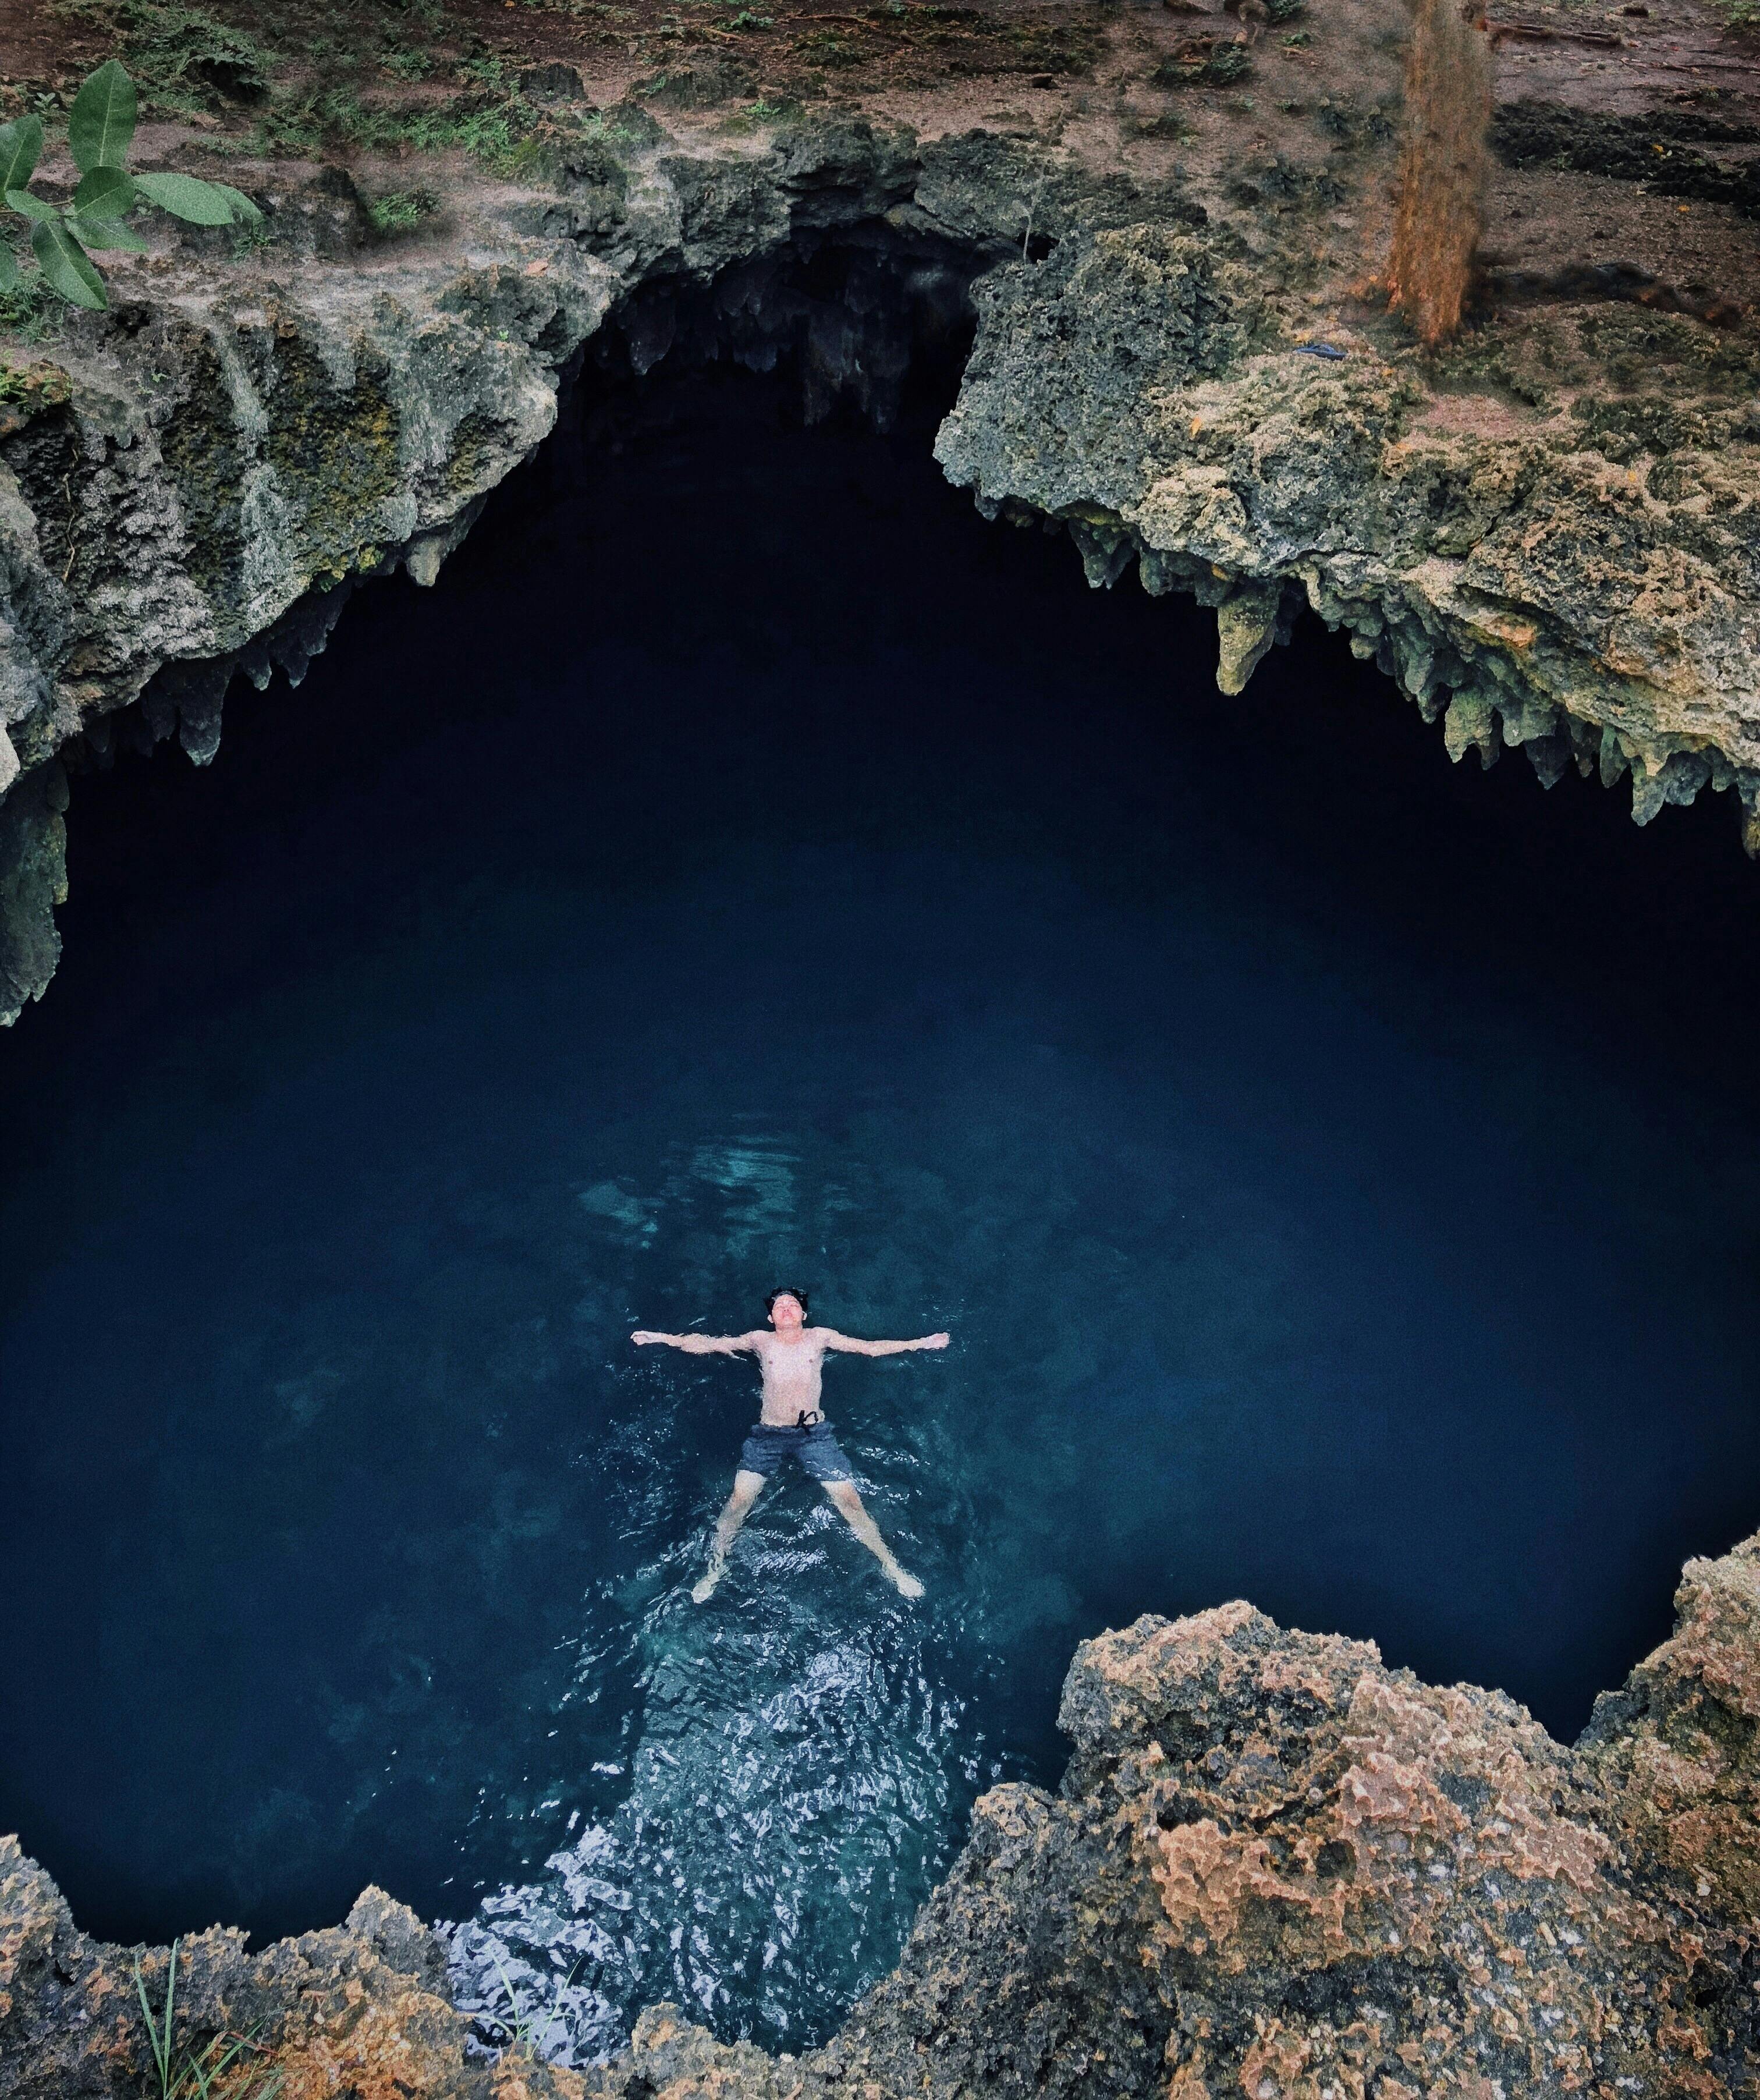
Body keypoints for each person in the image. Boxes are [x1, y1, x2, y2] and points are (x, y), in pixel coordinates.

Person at [631, 1287, 949, 1604]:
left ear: (804, 1315)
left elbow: (868, 1348)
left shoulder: (820, 1337)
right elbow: (710, 1344)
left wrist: (921, 1343)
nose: (786, 1308)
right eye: (780, 1305)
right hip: (767, 1436)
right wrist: (660, 1338)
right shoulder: (760, 1340)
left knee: (851, 1503)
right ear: (771, 1318)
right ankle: (714, 1571)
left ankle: (893, 1569)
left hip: (814, 1435)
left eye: (793, 1304)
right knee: (738, 1502)